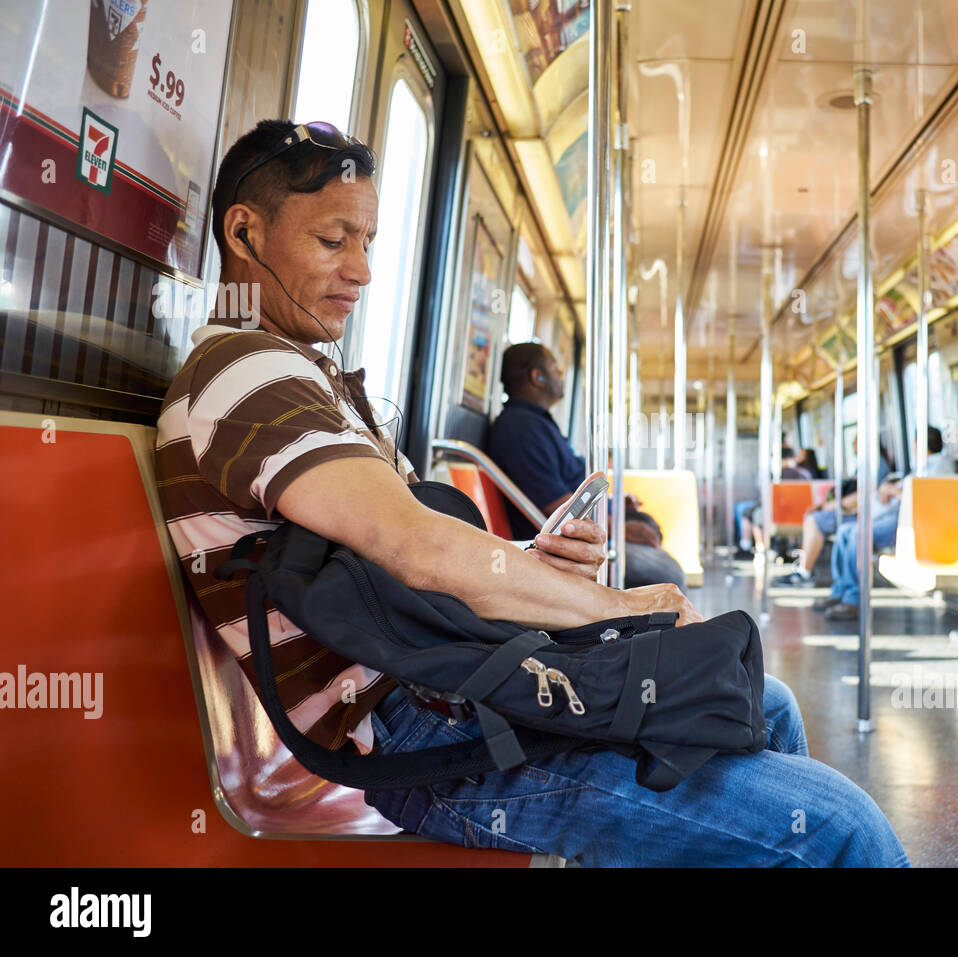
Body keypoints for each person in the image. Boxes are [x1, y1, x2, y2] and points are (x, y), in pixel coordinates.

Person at [154, 119, 908, 866]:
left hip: (448, 682)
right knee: (845, 828)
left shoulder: (303, 378)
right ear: (245, 234)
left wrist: (535, 561)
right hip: (419, 737)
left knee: (764, 701)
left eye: (368, 243)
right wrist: (624, 605)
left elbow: (400, 553)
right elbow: (413, 546)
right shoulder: (246, 375)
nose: (361, 270)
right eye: (332, 240)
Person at [488, 342, 686, 590]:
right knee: (667, 574)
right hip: (565, 546)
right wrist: (617, 527)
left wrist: (616, 506)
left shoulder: (538, 424)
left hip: (589, 526)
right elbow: (561, 512)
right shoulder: (521, 431)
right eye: (554, 367)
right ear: (538, 377)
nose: (560, 373)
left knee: (647, 523)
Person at [820, 428, 952, 620]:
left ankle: (853, 599)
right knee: (844, 530)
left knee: (859, 533)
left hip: (912, 521)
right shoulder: (923, 466)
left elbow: (929, 499)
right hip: (901, 514)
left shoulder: (939, 466)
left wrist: (895, 492)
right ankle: (840, 590)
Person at [733, 447, 814, 559]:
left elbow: (769, 499)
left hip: (780, 513)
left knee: (750, 514)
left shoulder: (778, 476)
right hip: (803, 514)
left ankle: (756, 547)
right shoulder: (806, 474)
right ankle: (791, 545)